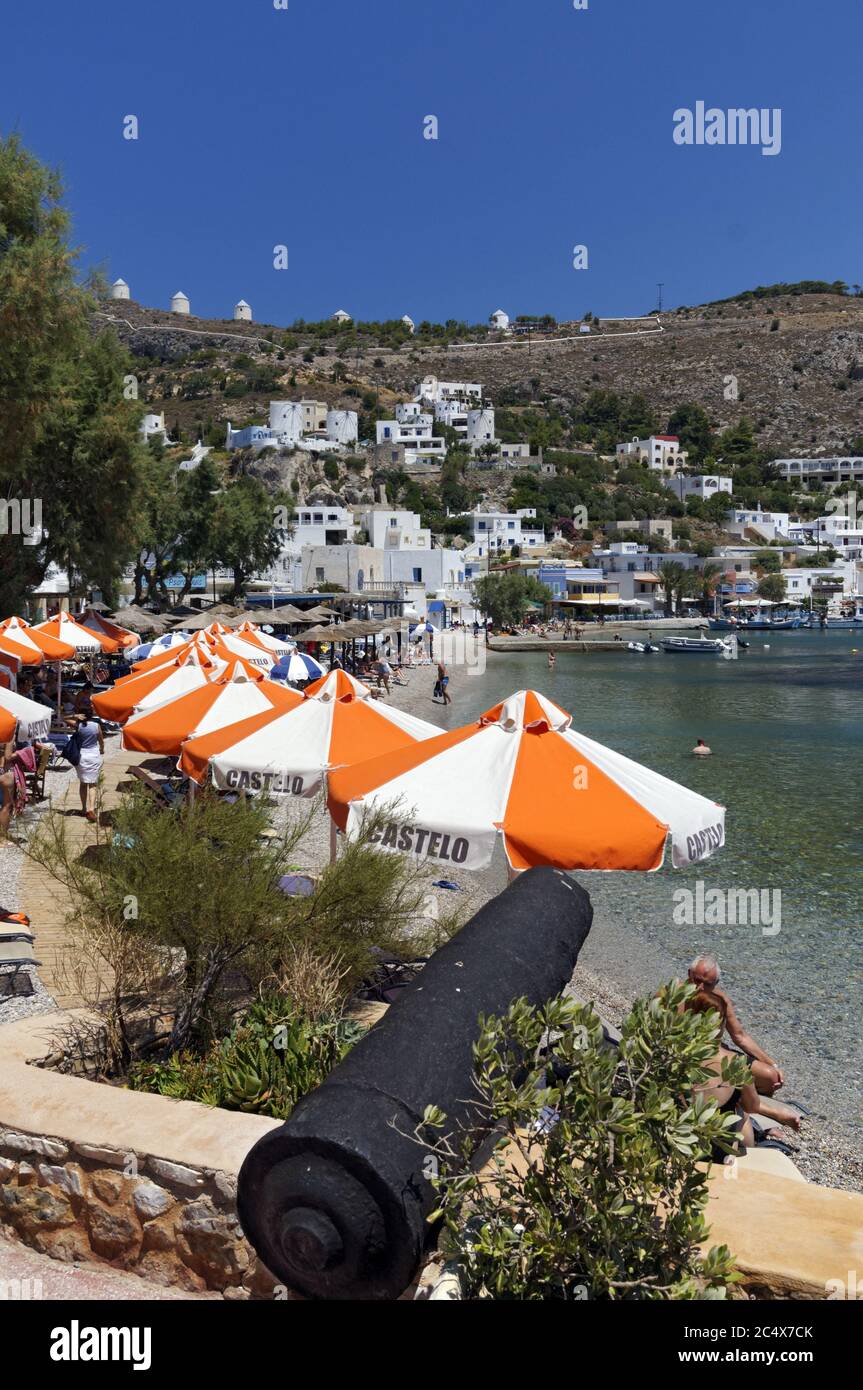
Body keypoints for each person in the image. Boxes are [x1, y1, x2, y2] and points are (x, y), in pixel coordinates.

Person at [683, 990, 800, 1156]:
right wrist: (779, 1114)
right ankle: (750, 1153)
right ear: (722, 1023)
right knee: (741, 1108)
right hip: (718, 1153)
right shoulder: (736, 1065)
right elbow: (753, 1106)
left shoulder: (674, 1058)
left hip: (681, 1143)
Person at [686, 955, 784, 1097]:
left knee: (771, 1078)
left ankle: (741, 1095)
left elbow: (739, 1036)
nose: (700, 987)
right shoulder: (673, 996)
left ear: (716, 983)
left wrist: (772, 1065)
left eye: (707, 984)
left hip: (718, 1054)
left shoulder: (720, 1000)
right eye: (697, 980)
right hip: (687, 1058)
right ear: (689, 973)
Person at [74, 714, 104, 823]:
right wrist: (102, 749)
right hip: (93, 755)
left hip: (81, 755)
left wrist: (74, 715)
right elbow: (100, 739)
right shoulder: (96, 725)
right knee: (92, 784)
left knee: (83, 783)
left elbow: (64, 719)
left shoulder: (78, 725)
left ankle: (83, 808)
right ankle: (91, 808)